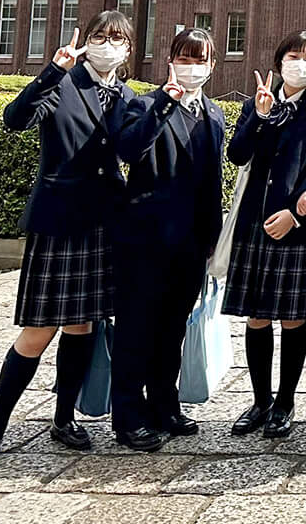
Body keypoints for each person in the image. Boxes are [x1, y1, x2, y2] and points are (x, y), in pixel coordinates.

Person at [0, 16, 133, 466]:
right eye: (99, 38)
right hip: (59, 219)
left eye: (116, 39)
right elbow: (14, 118)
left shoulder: (128, 96)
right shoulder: (63, 82)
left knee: (82, 325)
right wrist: (53, 70)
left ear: (129, 48)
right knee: (38, 330)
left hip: (103, 222)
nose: (106, 46)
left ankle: (64, 418)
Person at [110, 25, 225, 450]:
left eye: (201, 60)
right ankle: (127, 415)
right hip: (144, 241)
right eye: (185, 58)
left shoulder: (214, 114)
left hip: (190, 243)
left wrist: (213, 238)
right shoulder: (144, 104)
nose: (192, 67)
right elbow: (129, 151)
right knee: (137, 329)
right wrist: (164, 103)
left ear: (212, 66)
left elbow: (212, 181)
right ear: (171, 61)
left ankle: (165, 403)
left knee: (173, 328)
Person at [223, 29, 306, 440]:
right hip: (255, 220)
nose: (301, 63)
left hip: (295, 226)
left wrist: (300, 207)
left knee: (292, 317)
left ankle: (285, 402)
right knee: (257, 315)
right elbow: (237, 154)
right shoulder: (261, 100)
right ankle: (259, 400)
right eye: (294, 55)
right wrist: (257, 114)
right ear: (279, 60)